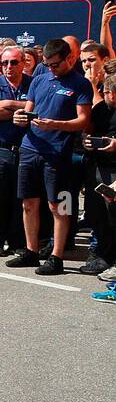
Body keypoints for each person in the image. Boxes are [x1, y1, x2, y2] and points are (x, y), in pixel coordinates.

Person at [6, 38, 93, 275]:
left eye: (55, 65)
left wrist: (55, 124)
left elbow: (83, 120)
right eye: (47, 65)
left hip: (58, 154)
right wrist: (20, 117)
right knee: (29, 203)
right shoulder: (39, 80)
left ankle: (57, 255)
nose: (51, 69)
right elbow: (28, 109)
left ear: (70, 59)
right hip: (30, 149)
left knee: (59, 205)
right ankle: (31, 251)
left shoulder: (81, 84)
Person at [0, 46, 30, 257]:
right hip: (0, 150)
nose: (8, 67)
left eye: (13, 63)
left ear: (23, 63)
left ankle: (18, 242)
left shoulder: (33, 83)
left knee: (21, 198)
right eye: (4, 63)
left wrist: (10, 104)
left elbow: (37, 108)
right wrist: (18, 112)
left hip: (26, 149)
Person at [77, 41, 112, 274]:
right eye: (84, 61)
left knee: (111, 213)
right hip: (92, 159)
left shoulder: (109, 85)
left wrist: (94, 88)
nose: (88, 65)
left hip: (112, 162)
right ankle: (98, 253)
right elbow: (88, 122)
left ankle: (105, 254)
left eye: (92, 60)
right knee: (95, 210)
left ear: (104, 61)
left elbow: (102, 113)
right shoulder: (82, 85)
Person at [83, 67, 116, 281]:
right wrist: (87, 140)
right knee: (97, 215)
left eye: (110, 92)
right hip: (97, 167)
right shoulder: (100, 109)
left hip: (115, 169)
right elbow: (89, 129)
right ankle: (103, 256)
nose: (107, 96)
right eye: (104, 92)